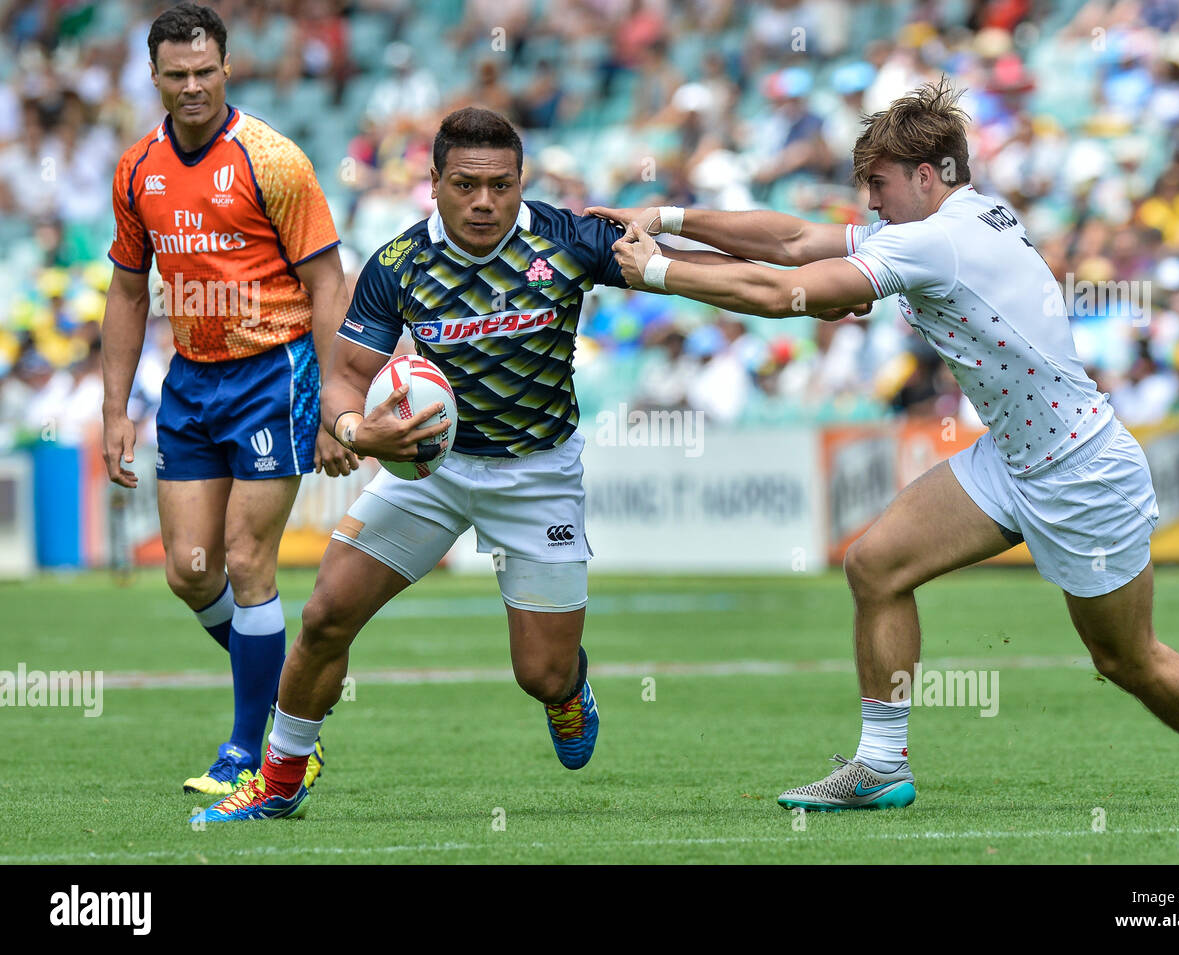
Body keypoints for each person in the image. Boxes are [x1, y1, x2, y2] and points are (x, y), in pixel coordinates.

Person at [593, 79, 1179, 811]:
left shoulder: (937, 240)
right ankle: (880, 765)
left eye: (880, 185)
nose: (870, 203)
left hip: (1081, 472)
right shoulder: (968, 214)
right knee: (876, 563)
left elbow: (788, 291)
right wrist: (665, 217)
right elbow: (796, 239)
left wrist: (660, 270)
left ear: (927, 176)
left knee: (1123, 656)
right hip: (1016, 456)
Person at [190, 107, 737, 822]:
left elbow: (688, 275)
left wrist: (802, 288)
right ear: (434, 182)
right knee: (325, 614)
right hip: (431, 471)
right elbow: (345, 376)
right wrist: (358, 429)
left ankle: (570, 690)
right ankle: (280, 777)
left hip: (538, 473)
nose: (485, 201)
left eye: (502, 185)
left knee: (539, 673)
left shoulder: (570, 238)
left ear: (522, 182)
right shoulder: (398, 263)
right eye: (466, 184)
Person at [102, 3, 357, 796]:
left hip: (270, 375)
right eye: (175, 74)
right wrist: (116, 409)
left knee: (248, 561)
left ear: (227, 69)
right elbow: (126, 289)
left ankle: (254, 752)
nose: (190, 86)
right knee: (189, 569)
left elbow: (326, 285)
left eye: (204, 71)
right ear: (153, 77)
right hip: (190, 378)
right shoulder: (136, 169)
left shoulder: (272, 160)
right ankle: (289, 688)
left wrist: (334, 401)